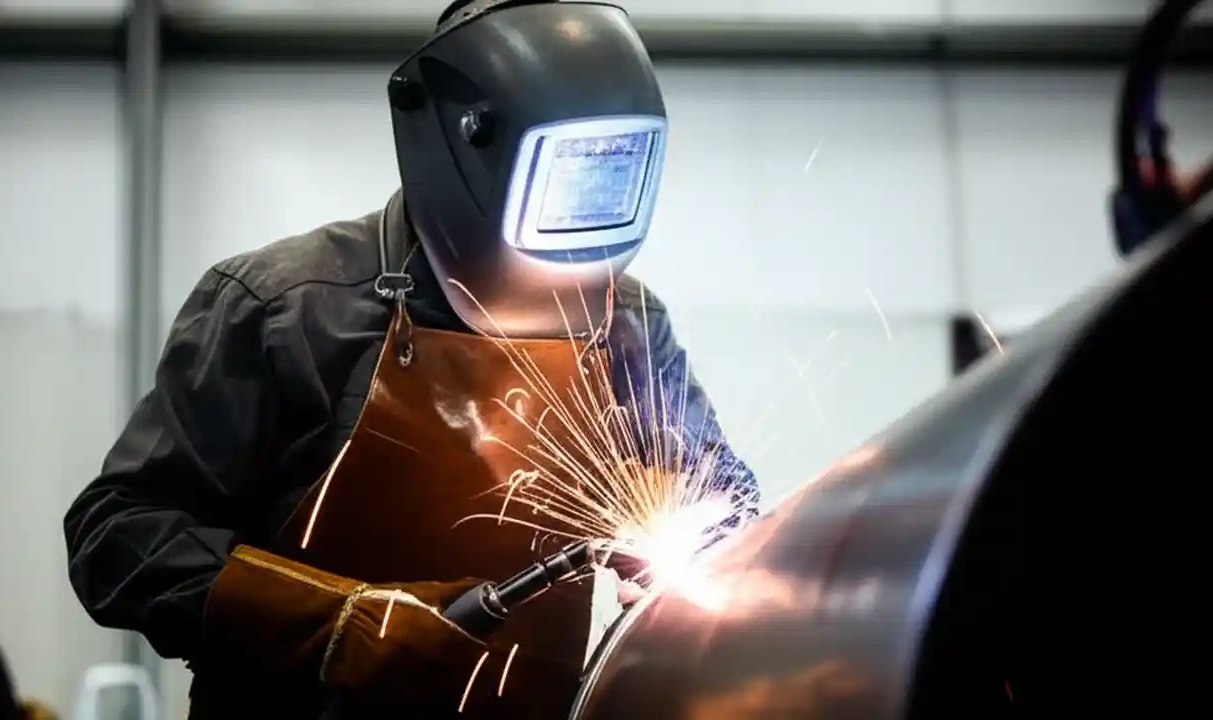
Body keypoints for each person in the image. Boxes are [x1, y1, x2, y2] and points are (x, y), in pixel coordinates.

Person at [63, 1, 759, 717]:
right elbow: (114, 538)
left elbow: (727, 507)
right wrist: (332, 624)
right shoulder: (288, 309)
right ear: (461, 142)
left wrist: (693, 543)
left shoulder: (627, 326)